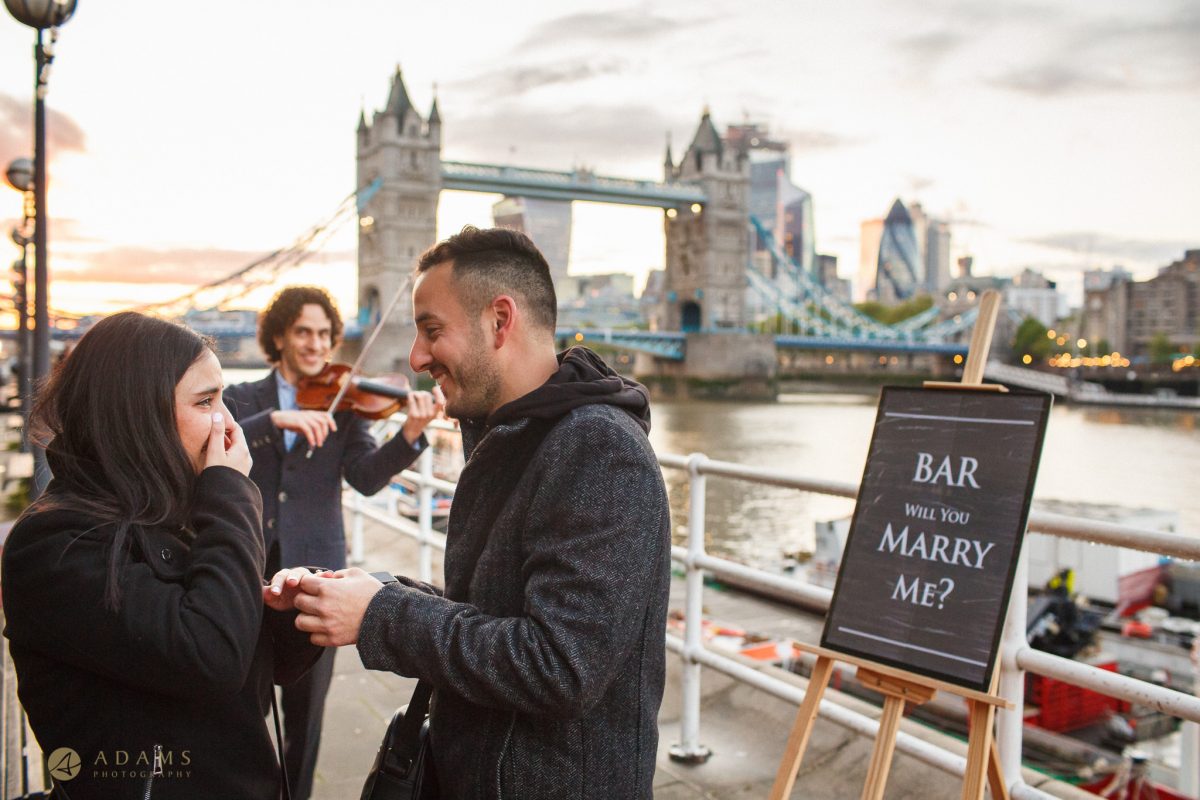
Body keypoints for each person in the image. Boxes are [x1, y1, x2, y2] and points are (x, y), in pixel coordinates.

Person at [287, 227, 672, 799]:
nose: (417, 358)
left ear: (500, 320)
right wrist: (378, 590)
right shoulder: (514, 438)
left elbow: (561, 666)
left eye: (432, 331)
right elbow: (491, 613)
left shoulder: (599, 450)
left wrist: (382, 616)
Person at [1, 312, 322, 799]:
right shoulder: (54, 545)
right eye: (206, 402)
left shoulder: (168, 510)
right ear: (137, 414)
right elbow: (209, 656)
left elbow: (226, 658)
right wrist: (232, 491)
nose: (229, 425)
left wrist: (289, 609)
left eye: (224, 399)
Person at [222, 285, 442, 799]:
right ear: (279, 336)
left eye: (324, 333)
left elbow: (365, 477)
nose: (316, 344)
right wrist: (274, 422)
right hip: (247, 569)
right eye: (303, 331)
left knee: (306, 718)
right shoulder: (243, 398)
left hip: (316, 574)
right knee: (240, 708)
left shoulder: (346, 405)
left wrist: (409, 434)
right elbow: (219, 438)